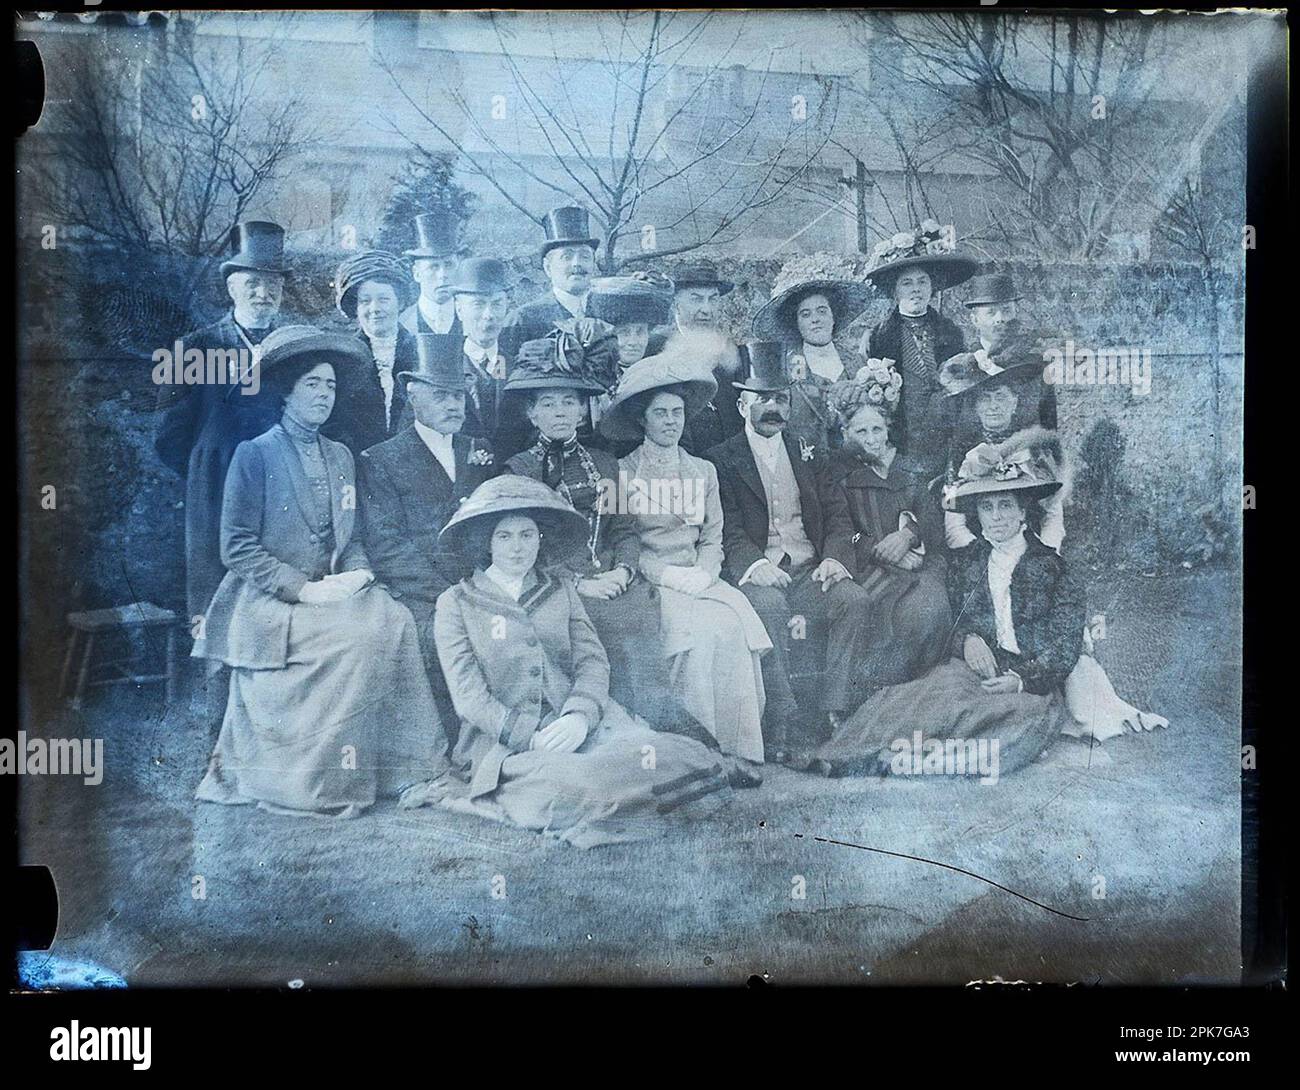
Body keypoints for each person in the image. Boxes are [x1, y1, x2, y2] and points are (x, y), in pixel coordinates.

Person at [193, 326, 449, 817]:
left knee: (391, 619)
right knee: (355, 640)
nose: (323, 395)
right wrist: (304, 590)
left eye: (330, 386)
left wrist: (356, 574)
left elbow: (349, 538)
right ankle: (324, 782)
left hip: (333, 587)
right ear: (286, 392)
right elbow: (236, 547)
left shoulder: (340, 456)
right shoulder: (254, 454)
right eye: (312, 384)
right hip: (271, 599)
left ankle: (409, 769)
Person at [431, 475, 733, 848]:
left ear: (540, 539)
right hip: (506, 744)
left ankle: (627, 793)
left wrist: (580, 715)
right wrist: (531, 736)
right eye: (504, 536)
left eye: (527, 534)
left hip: (584, 725)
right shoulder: (456, 603)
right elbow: (469, 697)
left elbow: (592, 661)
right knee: (585, 787)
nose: (517, 548)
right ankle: (605, 799)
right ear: (485, 543)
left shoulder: (560, 588)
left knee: (684, 757)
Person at [809, 457, 1081, 778]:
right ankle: (845, 754)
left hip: (1028, 685)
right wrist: (966, 641)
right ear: (977, 515)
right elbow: (952, 621)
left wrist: (1021, 679)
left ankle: (900, 763)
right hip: (973, 671)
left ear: (1022, 512)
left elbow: (1065, 645)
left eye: (1005, 506)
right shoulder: (968, 563)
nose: (996, 517)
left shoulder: (1054, 569)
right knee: (917, 699)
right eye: (987, 507)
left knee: (1009, 720)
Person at [600, 350, 771, 782]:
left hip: (700, 576)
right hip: (654, 580)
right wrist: (668, 575)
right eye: (661, 414)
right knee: (703, 634)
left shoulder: (704, 471)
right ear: (643, 420)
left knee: (732, 627)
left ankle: (739, 748)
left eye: (677, 413)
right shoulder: (623, 472)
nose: (671, 422)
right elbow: (626, 540)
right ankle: (695, 753)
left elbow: (713, 536)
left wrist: (706, 572)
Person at [503, 331, 685, 733]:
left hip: (615, 580)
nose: (560, 412)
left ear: (584, 412)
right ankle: (621, 733)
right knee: (606, 633)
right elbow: (524, 550)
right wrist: (578, 584)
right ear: (532, 414)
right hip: (557, 587)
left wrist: (623, 571)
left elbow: (624, 528)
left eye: (569, 402)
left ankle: (664, 733)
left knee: (639, 624)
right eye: (548, 404)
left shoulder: (604, 462)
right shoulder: (518, 470)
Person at [704, 343, 872, 758]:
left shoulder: (807, 452)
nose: (773, 407)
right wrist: (755, 564)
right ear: (743, 404)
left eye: (781, 398)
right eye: (762, 399)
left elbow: (837, 516)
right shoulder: (721, 459)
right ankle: (781, 718)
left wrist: (834, 557)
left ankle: (834, 711)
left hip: (808, 569)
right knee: (769, 608)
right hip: (757, 573)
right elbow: (727, 528)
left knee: (854, 599)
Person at [358, 333, 497, 727]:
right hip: (423, 594)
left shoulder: (479, 448)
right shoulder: (381, 459)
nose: (454, 404)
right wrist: (449, 593)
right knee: (438, 642)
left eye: (459, 394)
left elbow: (495, 523)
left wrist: (485, 583)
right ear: (413, 396)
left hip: (482, 584)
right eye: (441, 395)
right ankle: (450, 743)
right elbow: (386, 546)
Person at [154, 220, 289, 626]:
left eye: (272, 284)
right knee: (218, 606)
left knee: (279, 594)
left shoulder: (296, 345)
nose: (263, 293)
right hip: (217, 488)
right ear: (232, 287)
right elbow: (169, 436)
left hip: (283, 485)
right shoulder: (195, 349)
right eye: (252, 283)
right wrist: (206, 468)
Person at [819, 360, 953, 706]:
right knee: (871, 609)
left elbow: (933, 524)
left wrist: (908, 536)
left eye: (877, 430)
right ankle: (868, 698)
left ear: (888, 427)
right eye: (860, 432)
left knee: (930, 605)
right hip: (866, 566)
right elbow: (834, 528)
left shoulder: (909, 468)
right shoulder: (837, 474)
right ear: (846, 433)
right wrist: (876, 546)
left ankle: (915, 695)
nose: (871, 440)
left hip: (917, 565)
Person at [862, 222, 978, 477]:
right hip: (901, 444)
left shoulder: (951, 333)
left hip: (945, 441)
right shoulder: (879, 337)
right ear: (895, 290)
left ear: (932, 287)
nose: (916, 289)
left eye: (922, 281)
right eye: (907, 283)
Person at [937, 348, 1065, 550]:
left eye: (1001, 397)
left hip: (1031, 548)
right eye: (985, 398)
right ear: (976, 405)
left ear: (1015, 402)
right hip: (978, 551)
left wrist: (1046, 554)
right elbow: (953, 523)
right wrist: (978, 556)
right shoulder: (960, 453)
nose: (993, 406)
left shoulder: (1035, 449)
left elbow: (1053, 515)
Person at [750, 270, 872, 450]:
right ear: (796, 323)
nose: (815, 319)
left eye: (822, 311)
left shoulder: (858, 362)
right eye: (805, 314)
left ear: (833, 317)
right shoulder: (784, 369)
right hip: (806, 469)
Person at [647, 261, 746, 453]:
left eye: (713, 299)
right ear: (676, 304)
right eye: (696, 299)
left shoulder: (732, 352)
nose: (706, 309)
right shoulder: (656, 348)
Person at [329, 249, 418, 455]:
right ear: (356, 308)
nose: (374, 308)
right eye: (365, 301)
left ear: (400, 302)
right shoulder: (342, 357)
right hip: (357, 463)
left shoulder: (420, 352)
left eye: (384, 299)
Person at [586, 273, 674, 453]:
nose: (634, 341)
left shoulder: (657, 376)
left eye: (640, 332)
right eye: (624, 333)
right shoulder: (593, 379)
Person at [448, 257, 516, 448]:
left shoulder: (517, 367)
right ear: (459, 309)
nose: (489, 314)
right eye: (478, 304)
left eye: (496, 304)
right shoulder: (445, 366)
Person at [510, 206, 600, 343]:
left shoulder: (607, 313)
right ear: (548, 267)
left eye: (585, 256)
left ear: (594, 264)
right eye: (566, 257)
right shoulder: (523, 320)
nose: (577, 263)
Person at [399, 210, 469, 338]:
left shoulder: (473, 320)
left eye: (449, 265)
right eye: (433, 267)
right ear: (417, 274)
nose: (442, 275)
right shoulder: (402, 325)